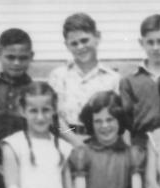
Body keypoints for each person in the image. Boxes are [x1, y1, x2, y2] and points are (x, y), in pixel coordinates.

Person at [1, 81, 73, 188]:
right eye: (33, 111)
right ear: (22, 111)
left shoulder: (63, 146)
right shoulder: (13, 144)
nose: (40, 117)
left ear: (54, 110)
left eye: (46, 110)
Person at [48, 12, 121, 147]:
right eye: (74, 43)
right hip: (66, 143)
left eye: (84, 40)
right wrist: (76, 142)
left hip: (103, 144)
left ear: (97, 37)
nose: (80, 47)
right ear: (67, 45)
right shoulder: (59, 76)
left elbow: (117, 119)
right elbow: (54, 118)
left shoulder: (113, 79)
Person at [120, 14, 160, 166]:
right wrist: (130, 154)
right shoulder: (130, 80)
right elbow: (125, 124)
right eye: (150, 42)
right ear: (142, 43)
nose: (155, 48)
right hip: (142, 146)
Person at [70, 91, 137, 188]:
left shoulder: (132, 154)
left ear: (120, 120)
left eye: (110, 119)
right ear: (91, 123)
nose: (104, 126)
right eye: (98, 121)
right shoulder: (83, 154)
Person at [0, 28, 34, 165]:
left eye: (22, 58)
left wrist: (72, 130)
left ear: (31, 56)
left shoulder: (37, 92)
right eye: (10, 57)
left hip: (27, 162)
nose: (16, 63)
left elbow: (58, 127)